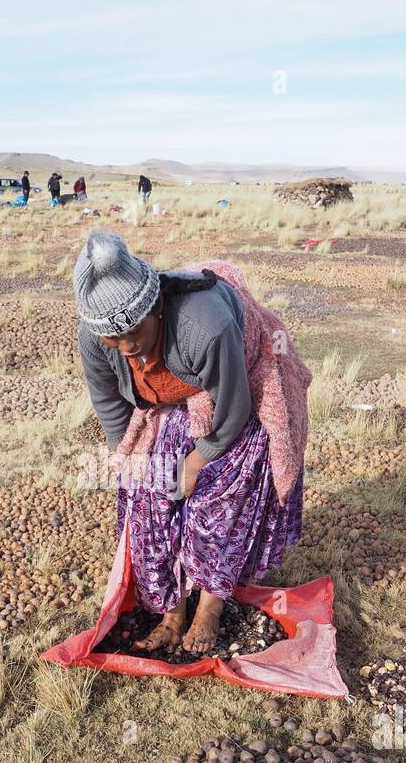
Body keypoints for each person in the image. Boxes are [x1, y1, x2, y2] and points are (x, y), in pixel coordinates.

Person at [74, 230, 310, 653]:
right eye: (115, 341)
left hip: (239, 392)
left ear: (158, 307)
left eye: (135, 335)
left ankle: (210, 608)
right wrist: (132, 460)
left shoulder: (205, 325)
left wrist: (198, 462)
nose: (128, 348)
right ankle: (172, 612)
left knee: (218, 502)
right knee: (152, 501)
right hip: (170, 400)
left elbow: (234, 406)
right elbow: (109, 402)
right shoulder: (95, 336)